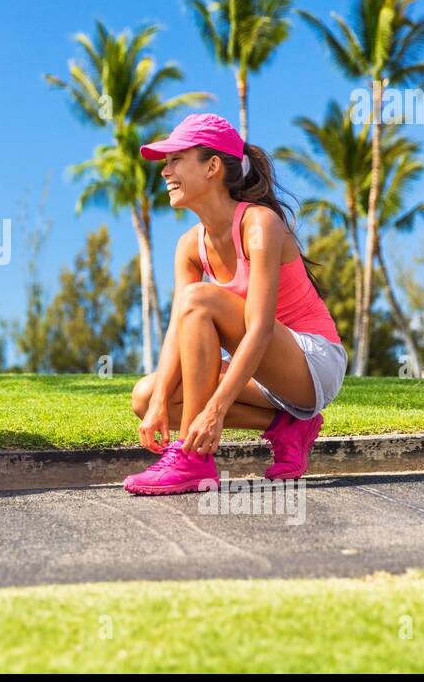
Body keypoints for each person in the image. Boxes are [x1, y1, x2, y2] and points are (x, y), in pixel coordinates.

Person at [125, 113, 347, 495]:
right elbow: (179, 329)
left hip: (311, 364)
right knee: (145, 396)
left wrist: (215, 411)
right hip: (262, 371)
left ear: (212, 166)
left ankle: (193, 461)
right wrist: (161, 400)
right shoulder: (189, 246)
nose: (165, 171)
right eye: (166, 161)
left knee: (200, 300)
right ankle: (288, 427)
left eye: (176, 158)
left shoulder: (259, 224)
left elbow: (259, 328)